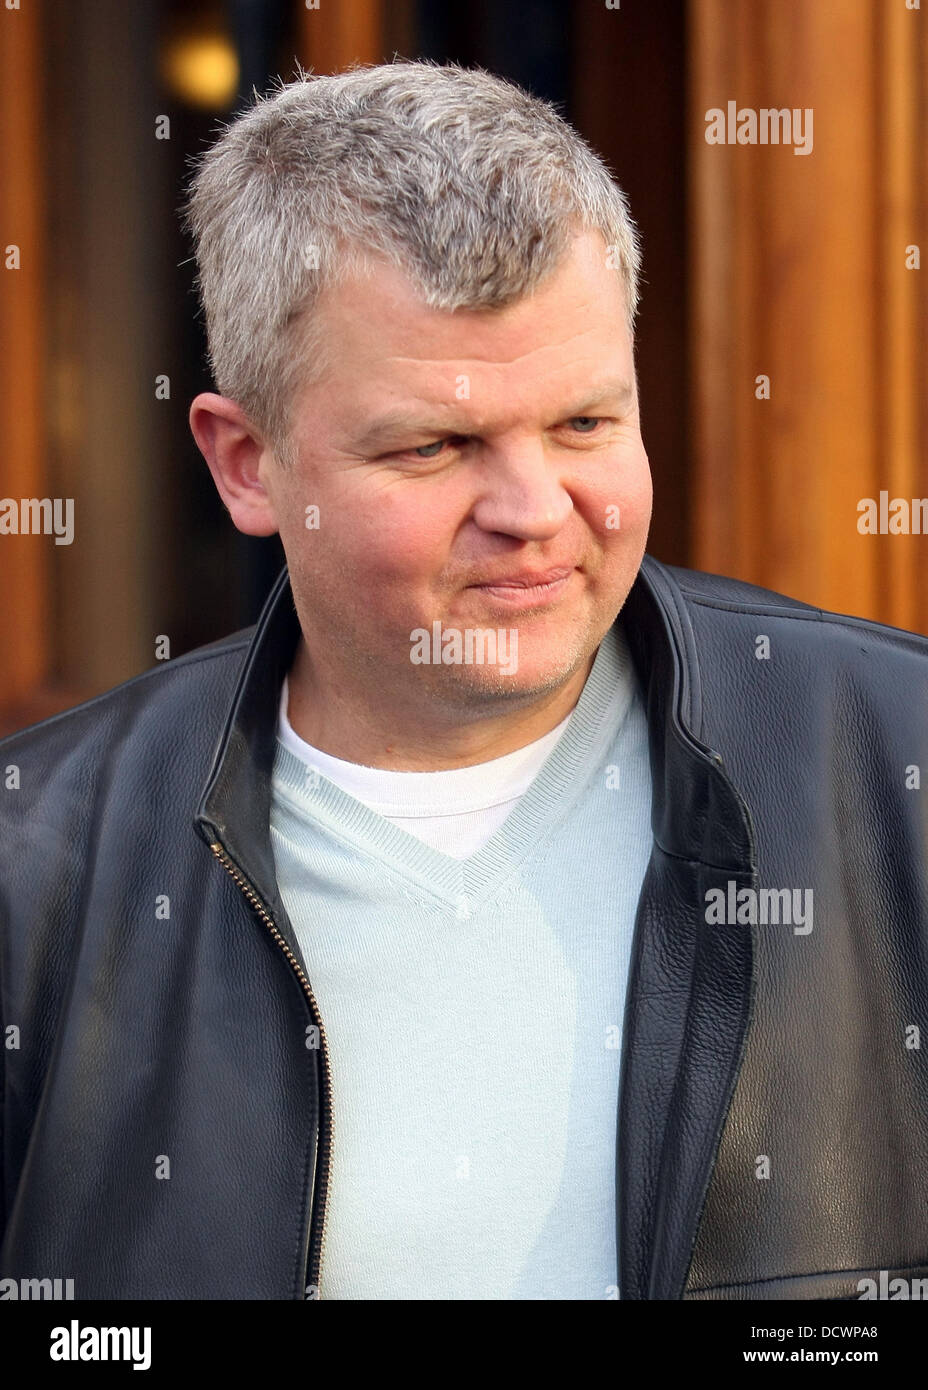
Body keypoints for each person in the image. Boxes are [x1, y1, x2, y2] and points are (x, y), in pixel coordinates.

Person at [1, 60, 926, 1303]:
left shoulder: (895, 768)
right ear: (246, 464)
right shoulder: (35, 864)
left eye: (586, 425)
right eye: (436, 444)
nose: (536, 512)